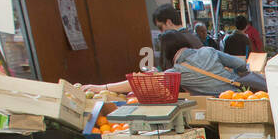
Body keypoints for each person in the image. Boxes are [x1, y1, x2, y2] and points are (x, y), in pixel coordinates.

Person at [84, 44, 266, 97]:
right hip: (243, 95)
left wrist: (103, 87)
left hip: (218, 105)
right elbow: (240, 64)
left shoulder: (176, 71)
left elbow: (141, 83)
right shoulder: (207, 50)